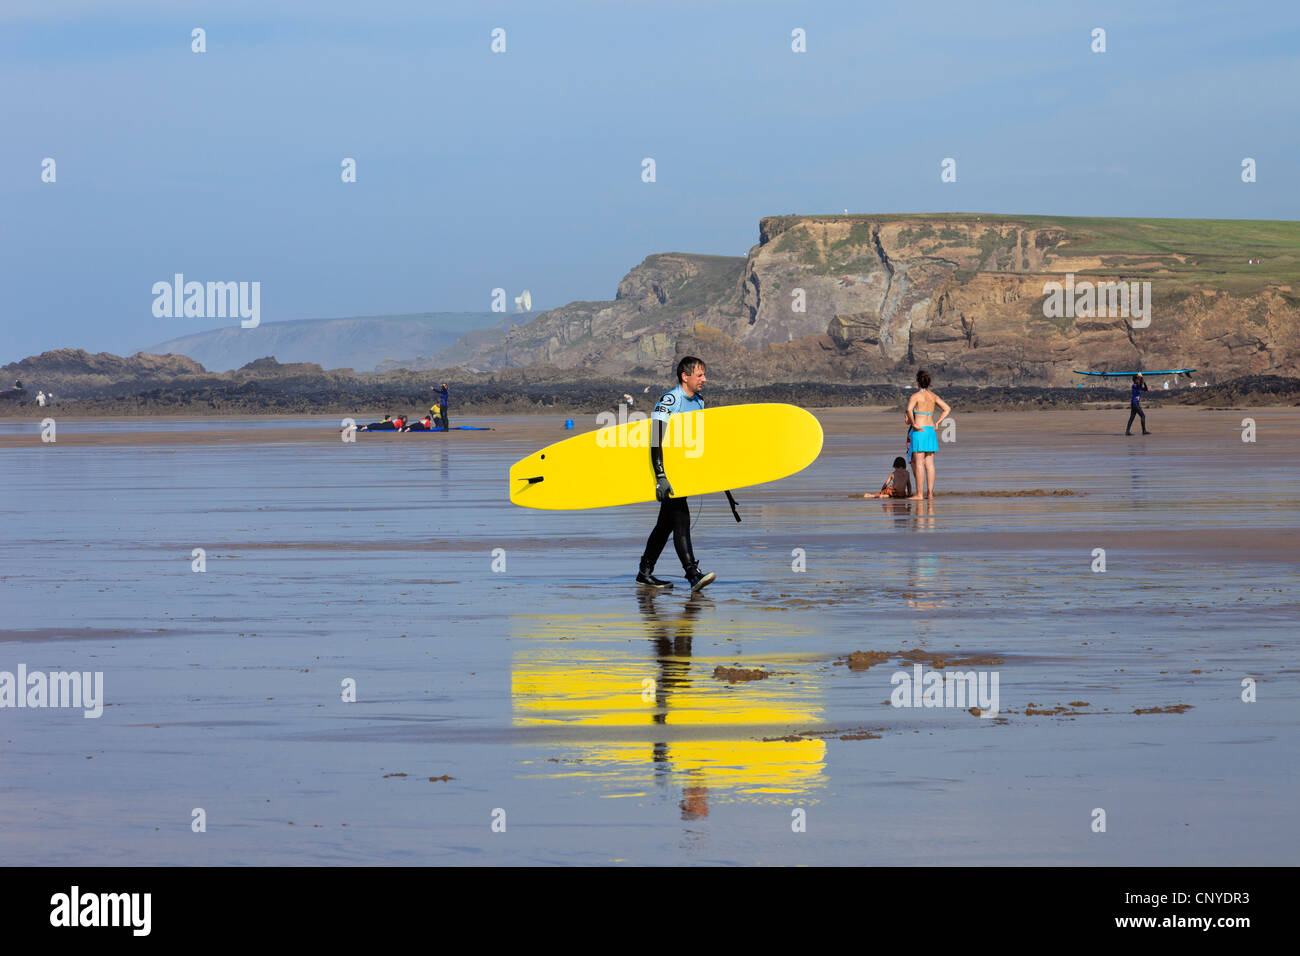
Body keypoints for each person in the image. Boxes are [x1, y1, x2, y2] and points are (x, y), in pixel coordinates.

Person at [636, 356, 714, 592]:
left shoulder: (699, 401)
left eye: (703, 374)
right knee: (680, 517)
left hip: (684, 472)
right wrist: (661, 476)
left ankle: (645, 572)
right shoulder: (670, 400)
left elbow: (697, 440)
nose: (704, 379)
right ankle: (692, 574)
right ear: (685, 376)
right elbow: (655, 440)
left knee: (665, 524)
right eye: (699, 375)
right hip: (666, 471)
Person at [906, 369, 950, 499]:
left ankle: (920, 494)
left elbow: (909, 409)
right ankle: (930, 493)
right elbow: (947, 408)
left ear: (918, 382)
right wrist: (938, 422)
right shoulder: (933, 396)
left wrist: (913, 424)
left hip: (919, 431)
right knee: (930, 464)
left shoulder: (915, 396)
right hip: (930, 430)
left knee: (919, 463)